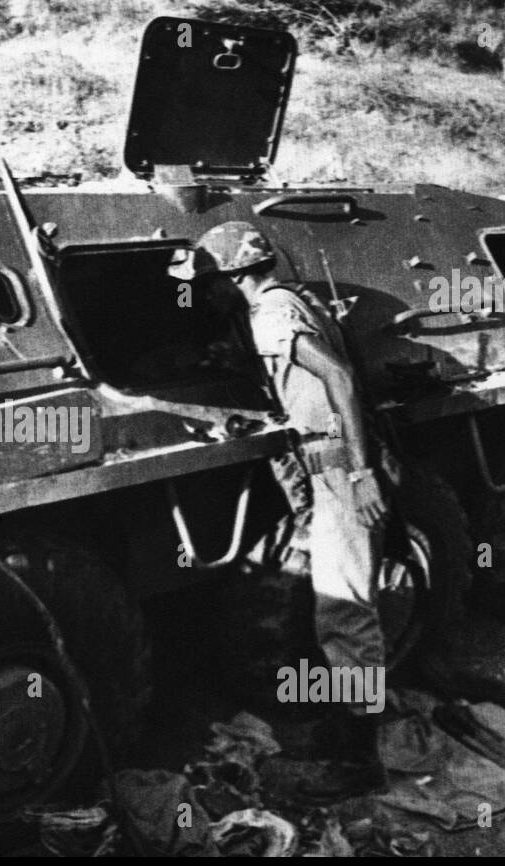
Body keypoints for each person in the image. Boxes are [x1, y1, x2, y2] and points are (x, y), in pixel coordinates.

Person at [192, 221, 389, 802]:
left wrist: (361, 473)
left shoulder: (273, 314)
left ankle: (360, 763)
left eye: (211, 282)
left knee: (348, 613)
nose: (207, 294)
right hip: (328, 465)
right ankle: (339, 733)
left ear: (235, 276)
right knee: (336, 609)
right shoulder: (289, 302)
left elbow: (340, 377)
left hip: (337, 469)